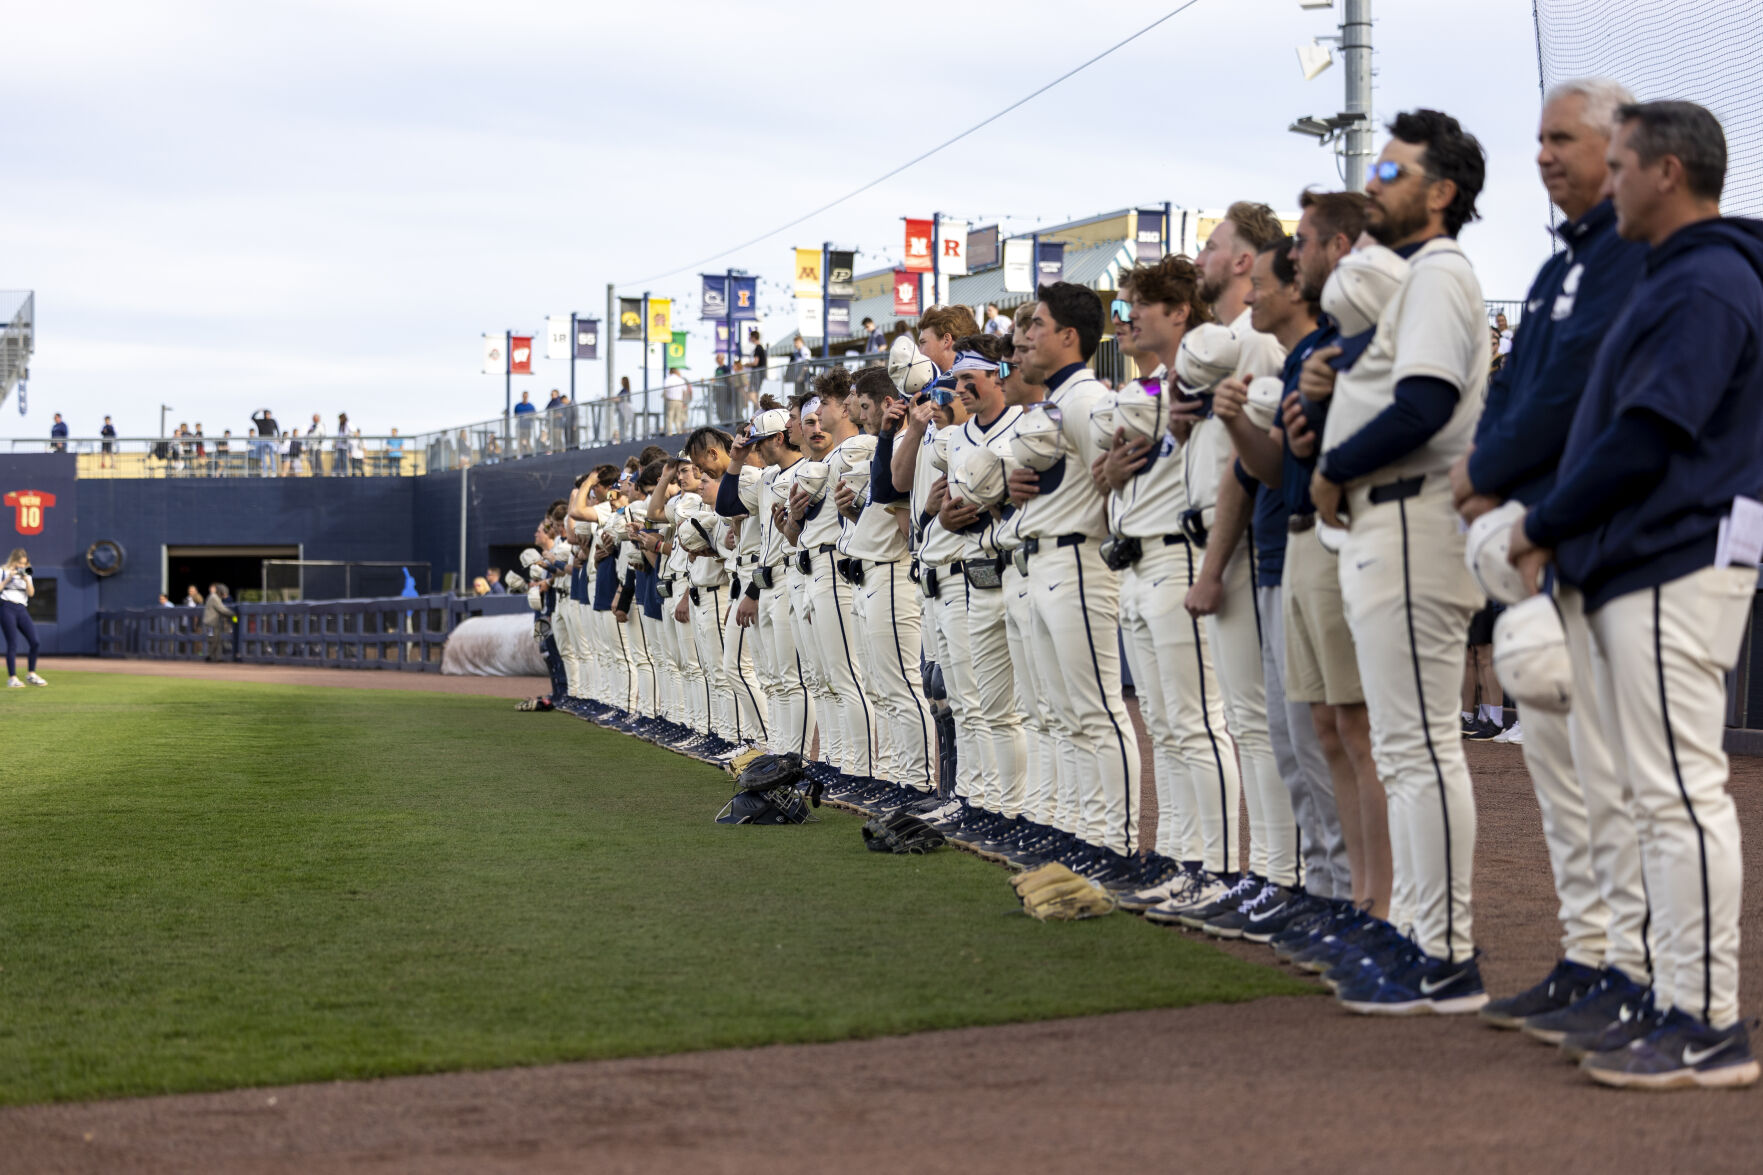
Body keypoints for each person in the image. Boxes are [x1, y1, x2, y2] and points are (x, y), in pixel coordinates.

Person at [1506, 99, 1763, 1090]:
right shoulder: (1675, 277)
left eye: (1616, 165)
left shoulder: (1704, 281)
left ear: (1665, 171)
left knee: (1677, 798)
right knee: (1655, 798)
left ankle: (1704, 1019)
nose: (1603, 183)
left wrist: (1541, 520)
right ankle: (1674, 1001)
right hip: (1638, 562)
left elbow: (1649, 433)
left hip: (1670, 556)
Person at [1309, 108, 1491, 1015]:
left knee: (1418, 748)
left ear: (1440, 192)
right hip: (1390, 525)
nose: (1374, 183)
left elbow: (1424, 403)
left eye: (1391, 172)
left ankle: (1441, 948)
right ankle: (1421, 936)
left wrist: (1334, 466)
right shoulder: (1420, 278)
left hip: (1414, 521)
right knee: (1407, 747)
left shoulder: (1441, 273)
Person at [2, 550, 45, 687]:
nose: (21, 565)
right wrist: (8, 578)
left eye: (24, 563)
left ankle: (31, 674)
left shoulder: (27, 572)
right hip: (6, 607)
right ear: (13, 561)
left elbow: (31, 593)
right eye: (19, 563)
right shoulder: (3, 571)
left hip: (21, 608)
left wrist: (26, 579)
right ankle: (12, 678)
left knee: (35, 641)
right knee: (12, 643)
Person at [203, 583, 236, 662]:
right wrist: (233, 614)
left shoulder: (216, 598)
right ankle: (210, 656)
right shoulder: (214, 598)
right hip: (210, 624)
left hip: (213, 623)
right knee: (212, 639)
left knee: (217, 640)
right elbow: (222, 609)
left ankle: (217, 657)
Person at [663, 367, 691, 433]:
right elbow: (684, 391)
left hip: (671, 400)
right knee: (678, 418)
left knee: (670, 418)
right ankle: (679, 432)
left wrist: (666, 398)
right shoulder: (680, 380)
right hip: (679, 401)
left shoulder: (668, 379)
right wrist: (683, 401)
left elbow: (665, 390)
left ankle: (669, 433)